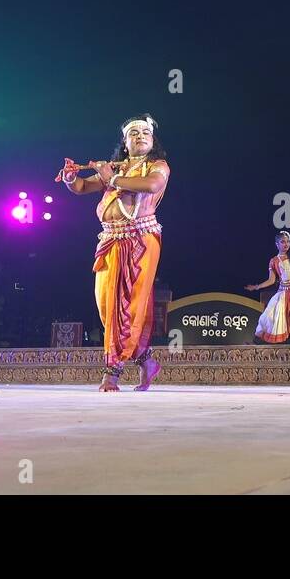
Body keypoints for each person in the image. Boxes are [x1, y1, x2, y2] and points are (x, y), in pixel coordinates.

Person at [58, 113, 170, 391]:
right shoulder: (116, 168)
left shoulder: (158, 166)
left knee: (129, 306)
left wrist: (113, 180)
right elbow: (83, 187)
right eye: (134, 133)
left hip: (141, 241)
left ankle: (112, 372)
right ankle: (145, 361)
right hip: (109, 242)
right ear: (125, 141)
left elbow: (152, 186)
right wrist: (72, 178)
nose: (140, 136)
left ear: (152, 139)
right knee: (108, 306)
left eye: (145, 132)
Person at [246, 231, 290, 343]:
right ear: (277, 244)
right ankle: (256, 343)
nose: (286, 244)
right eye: (283, 242)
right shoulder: (274, 261)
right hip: (283, 292)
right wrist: (257, 287)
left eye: (288, 242)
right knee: (268, 315)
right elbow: (271, 280)